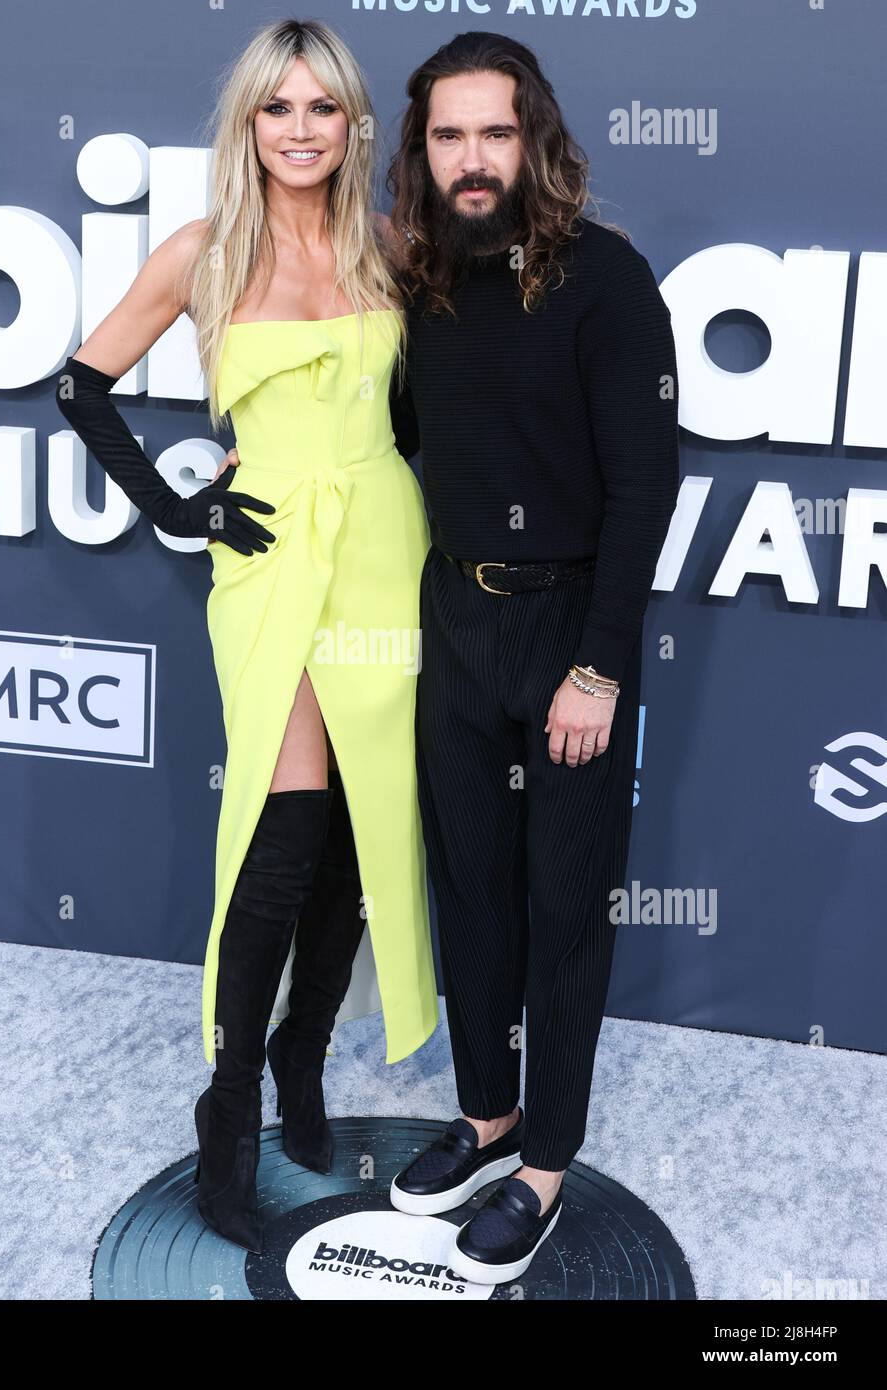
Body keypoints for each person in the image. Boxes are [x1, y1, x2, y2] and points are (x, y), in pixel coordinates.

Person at [56, 18, 438, 1256]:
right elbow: (80, 385)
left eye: (322, 107)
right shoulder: (202, 253)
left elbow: (427, 413)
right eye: (277, 108)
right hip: (269, 564)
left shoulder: (389, 247)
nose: (299, 129)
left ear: (351, 123)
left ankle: (303, 1058)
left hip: (385, 551)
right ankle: (230, 1105)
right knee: (281, 824)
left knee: (355, 820)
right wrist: (185, 506)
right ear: (247, 124)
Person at [382, 32, 681, 1284]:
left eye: (493, 133)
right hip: (455, 619)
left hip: (570, 635)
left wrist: (600, 668)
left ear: (534, 139)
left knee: (564, 912)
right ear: (423, 150)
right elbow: (392, 436)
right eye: (447, 136)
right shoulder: (423, 285)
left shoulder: (607, 280)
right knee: (470, 891)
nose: (470, 158)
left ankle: (545, 1162)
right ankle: (485, 1112)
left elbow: (643, 487)